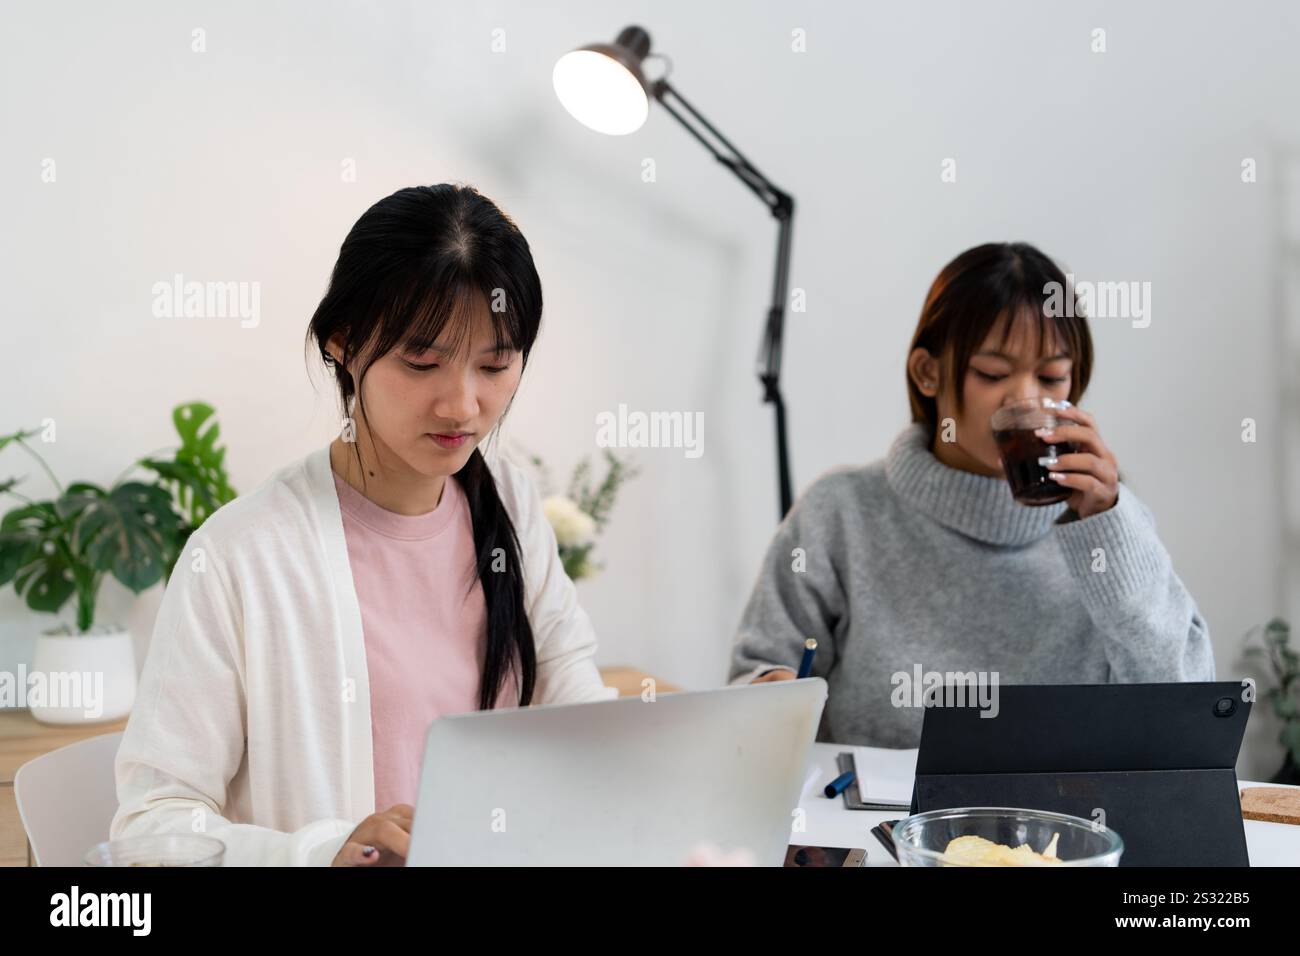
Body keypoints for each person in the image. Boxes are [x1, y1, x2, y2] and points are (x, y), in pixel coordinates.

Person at [111, 184, 616, 866]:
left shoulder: (515, 512)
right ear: (344, 345)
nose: (463, 403)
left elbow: (577, 710)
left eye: (495, 364)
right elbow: (151, 826)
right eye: (422, 361)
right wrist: (321, 851)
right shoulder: (239, 556)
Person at [728, 241, 1214, 747]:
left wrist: (1111, 528)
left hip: (1057, 821)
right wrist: (772, 694)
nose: (1025, 399)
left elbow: (1184, 717)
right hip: (871, 822)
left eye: (1051, 377)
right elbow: (758, 678)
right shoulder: (841, 512)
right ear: (928, 373)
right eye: (992, 373)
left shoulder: (1108, 528)